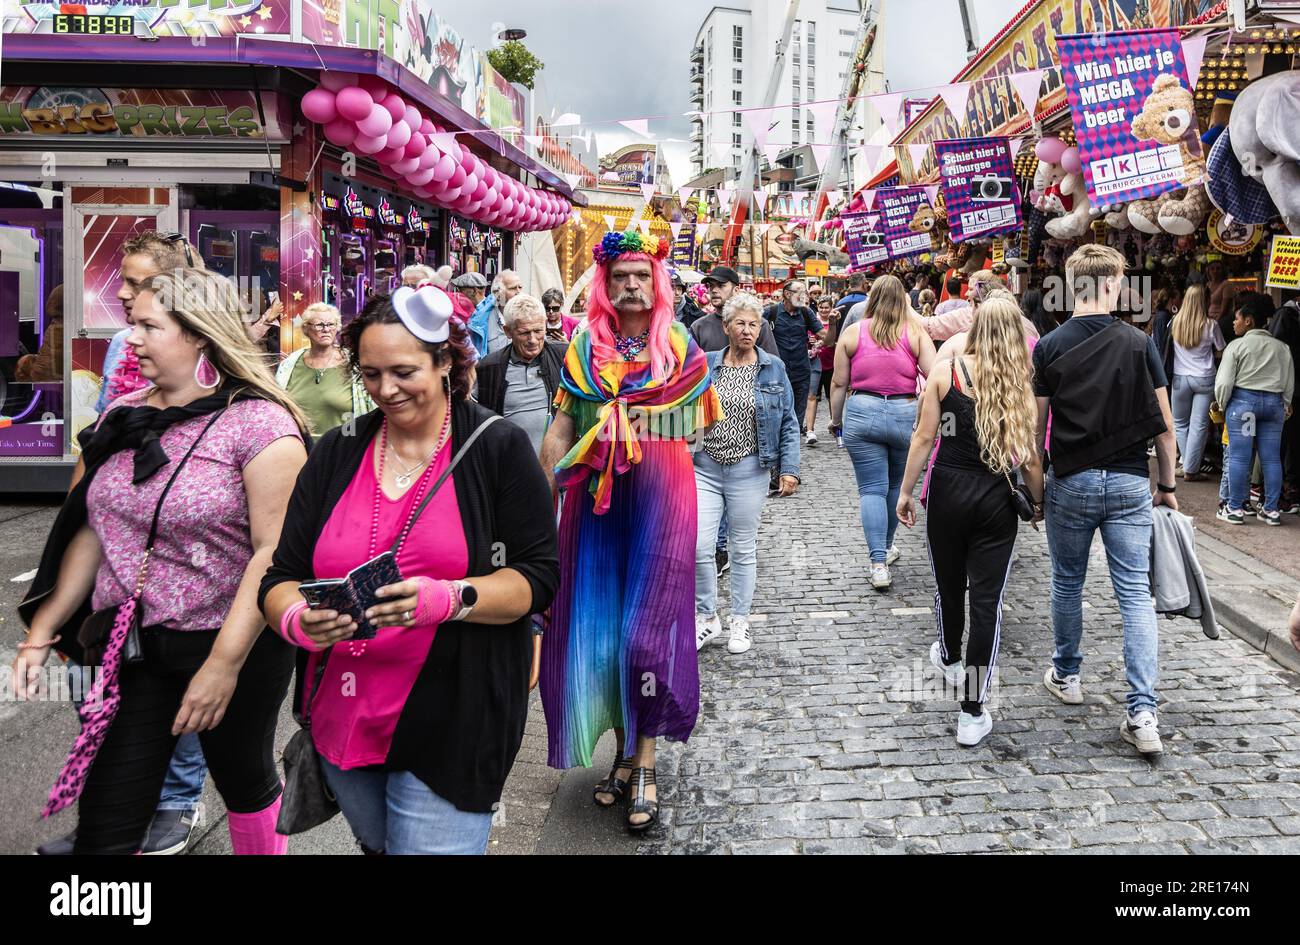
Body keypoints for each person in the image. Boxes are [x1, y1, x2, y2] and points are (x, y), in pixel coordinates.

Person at [17, 268, 309, 853]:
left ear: (199, 334)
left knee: (243, 778)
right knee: (111, 808)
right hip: (134, 644)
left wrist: (223, 666)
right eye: (133, 325)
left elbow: (272, 554)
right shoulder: (123, 414)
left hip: (234, 643)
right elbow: (96, 532)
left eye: (149, 326)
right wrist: (42, 632)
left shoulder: (261, 424)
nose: (133, 340)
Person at [260, 285, 558, 855]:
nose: (385, 390)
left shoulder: (497, 448)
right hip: (345, 716)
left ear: (445, 362)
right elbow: (281, 576)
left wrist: (449, 598)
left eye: (402, 371)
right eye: (370, 374)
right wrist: (298, 620)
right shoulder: (336, 452)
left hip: (454, 718)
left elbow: (538, 577)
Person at [538, 230, 721, 833]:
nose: (633, 286)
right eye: (621, 277)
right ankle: (625, 751)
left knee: (647, 636)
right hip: (595, 506)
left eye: (642, 275)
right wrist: (544, 497)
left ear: (657, 281)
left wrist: (636, 420)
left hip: (661, 499)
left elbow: (695, 428)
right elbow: (563, 424)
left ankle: (645, 761)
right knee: (604, 636)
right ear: (605, 285)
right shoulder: (583, 347)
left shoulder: (678, 345)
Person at [1032, 244, 1177, 756]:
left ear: (1073, 285)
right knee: (1134, 594)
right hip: (1129, 481)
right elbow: (1164, 427)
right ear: (1115, 285)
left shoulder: (1048, 347)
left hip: (1070, 479)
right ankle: (1142, 712)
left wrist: (1036, 491)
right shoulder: (1140, 343)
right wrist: (1169, 486)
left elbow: (1035, 431)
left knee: (1067, 581)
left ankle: (1067, 674)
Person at [897, 296, 1045, 746]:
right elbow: (1030, 459)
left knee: (948, 585)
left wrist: (906, 492)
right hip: (996, 499)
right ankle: (972, 710)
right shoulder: (1020, 383)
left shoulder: (947, 371)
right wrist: (1036, 502)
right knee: (987, 603)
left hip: (948, 491)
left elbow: (924, 438)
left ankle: (948, 655)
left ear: (975, 327)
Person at [694, 292, 800, 655]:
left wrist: (789, 470)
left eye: (754, 324)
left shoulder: (772, 368)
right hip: (704, 467)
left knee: (742, 548)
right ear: (726, 327)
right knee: (699, 546)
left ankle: (740, 620)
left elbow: (788, 421)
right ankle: (707, 618)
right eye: (740, 323)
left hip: (749, 469)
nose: (747, 330)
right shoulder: (705, 364)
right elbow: (684, 410)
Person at [829, 273, 936, 589]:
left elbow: (838, 383)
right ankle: (887, 547)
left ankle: (878, 562)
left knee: (871, 489)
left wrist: (836, 420)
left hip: (863, 412)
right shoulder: (915, 333)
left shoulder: (852, 333)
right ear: (903, 299)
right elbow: (935, 375)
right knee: (895, 488)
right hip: (904, 415)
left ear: (871, 298)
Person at [1215, 291, 1295, 525]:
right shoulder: (1282, 348)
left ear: (1249, 320)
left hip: (1243, 404)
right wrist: (1286, 404)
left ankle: (1235, 509)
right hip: (1274, 406)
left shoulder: (1236, 346)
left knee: (1240, 457)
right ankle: (1271, 510)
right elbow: (1288, 381)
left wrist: (1222, 404)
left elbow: (1224, 383)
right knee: (1271, 459)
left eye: (1237, 318)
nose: (1234, 321)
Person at [475, 293, 567, 456]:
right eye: (524, 333)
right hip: (511, 471)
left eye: (538, 331)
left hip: (557, 469)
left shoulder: (564, 357)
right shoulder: (489, 368)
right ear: (508, 331)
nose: (532, 339)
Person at [274, 302, 375, 436]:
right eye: (319, 325)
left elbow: (372, 412)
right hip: (300, 449)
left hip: (343, 447)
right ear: (306, 329)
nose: (326, 329)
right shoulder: (289, 365)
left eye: (330, 324)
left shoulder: (355, 364)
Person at [1166, 285, 1224, 482]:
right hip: (1205, 378)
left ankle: (1187, 464)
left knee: (1180, 423)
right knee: (1199, 425)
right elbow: (1220, 350)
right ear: (1204, 301)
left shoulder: (1175, 322)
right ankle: (1191, 469)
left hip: (1180, 378)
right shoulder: (1211, 325)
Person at [764, 279, 825, 436]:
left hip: (801, 372)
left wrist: (831, 324)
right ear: (787, 294)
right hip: (777, 374)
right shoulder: (771, 313)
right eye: (800, 292)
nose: (804, 296)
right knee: (776, 412)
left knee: (797, 416)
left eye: (805, 292)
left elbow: (827, 338)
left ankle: (792, 443)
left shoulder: (806, 313)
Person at [689, 265, 778, 355]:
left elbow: (771, 364)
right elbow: (691, 365)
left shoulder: (757, 324)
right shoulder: (699, 327)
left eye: (721, 285)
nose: (714, 290)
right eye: (711, 286)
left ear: (736, 290)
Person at [805, 294, 837, 444]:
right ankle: (810, 430)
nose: (824, 310)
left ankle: (834, 425)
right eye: (821, 307)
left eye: (827, 307)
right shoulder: (813, 322)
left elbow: (835, 341)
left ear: (831, 308)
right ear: (818, 308)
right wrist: (811, 341)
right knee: (812, 396)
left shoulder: (835, 321)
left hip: (832, 364)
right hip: (815, 363)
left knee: (833, 397)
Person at [468, 270, 521, 358]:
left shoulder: (529, 315)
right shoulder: (482, 320)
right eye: (513, 288)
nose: (518, 292)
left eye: (520, 287)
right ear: (498, 293)